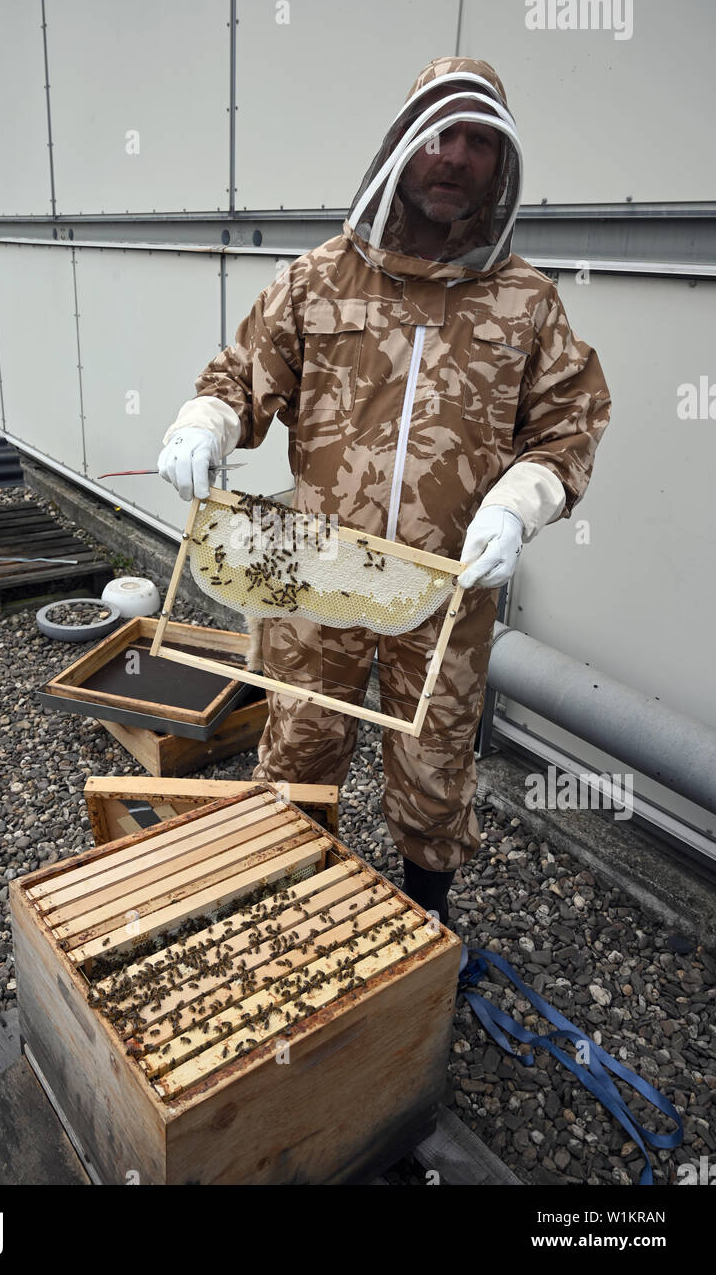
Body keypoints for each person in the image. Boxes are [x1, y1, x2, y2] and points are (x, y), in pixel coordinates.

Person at [157, 56, 611, 928]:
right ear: (403, 145)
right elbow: (245, 374)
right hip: (314, 574)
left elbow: (569, 424)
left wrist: (521, 503)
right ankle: (286, 910)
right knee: (298, 744)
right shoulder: (319, 278)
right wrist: (204, 422)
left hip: (445, 592)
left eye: (479, 141)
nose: (456, 155)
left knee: (436, 768)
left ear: (500, 164)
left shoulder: (528, 305)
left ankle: (423, 929)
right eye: (440, 133)